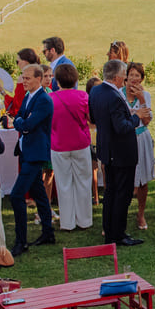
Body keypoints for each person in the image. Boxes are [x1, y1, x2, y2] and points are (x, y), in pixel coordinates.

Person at [88, 60, 141, 247]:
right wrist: (136, 117)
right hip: (121, 152)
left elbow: (94, 118)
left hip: (107, 149)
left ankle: (109, 231)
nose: (126, 77)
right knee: (122, 194)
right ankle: (118, 234)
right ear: (117, 76)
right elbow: (122, 127)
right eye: (124, 74)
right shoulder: (113, 96)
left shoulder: (96, 91)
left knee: (110, 192)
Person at [6, 62, 55, 252]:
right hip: (27, 151)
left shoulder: (43, 99)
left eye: (27, 78)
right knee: (39, 193)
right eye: (23, 77)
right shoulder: (29, 96)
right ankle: (48, 231)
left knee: (17, 195)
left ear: (38, 78)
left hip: (35, 153)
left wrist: (19, 122)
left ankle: (21, 241)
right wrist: (20, 121)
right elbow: (19, 117)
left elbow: (26, 124)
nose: (23, 81)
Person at [47, 62, 94, 233]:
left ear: (57, 80)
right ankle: (85, 220)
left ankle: (67, 222)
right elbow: (90, 118)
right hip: (80, 143)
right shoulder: (83, 96)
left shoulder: (51, 99)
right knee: (83, 181)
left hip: (59, 144)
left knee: (63, 183)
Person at [125, 62, 155, 232]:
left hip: (141, 136)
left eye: (137, 76)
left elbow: (147, 120)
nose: (134, 79)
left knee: (143, 178)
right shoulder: (120, 95)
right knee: (126, 178)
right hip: (126, 138)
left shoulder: (146, 95)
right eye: (131, 75)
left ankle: (141, 213)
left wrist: (142, 100)